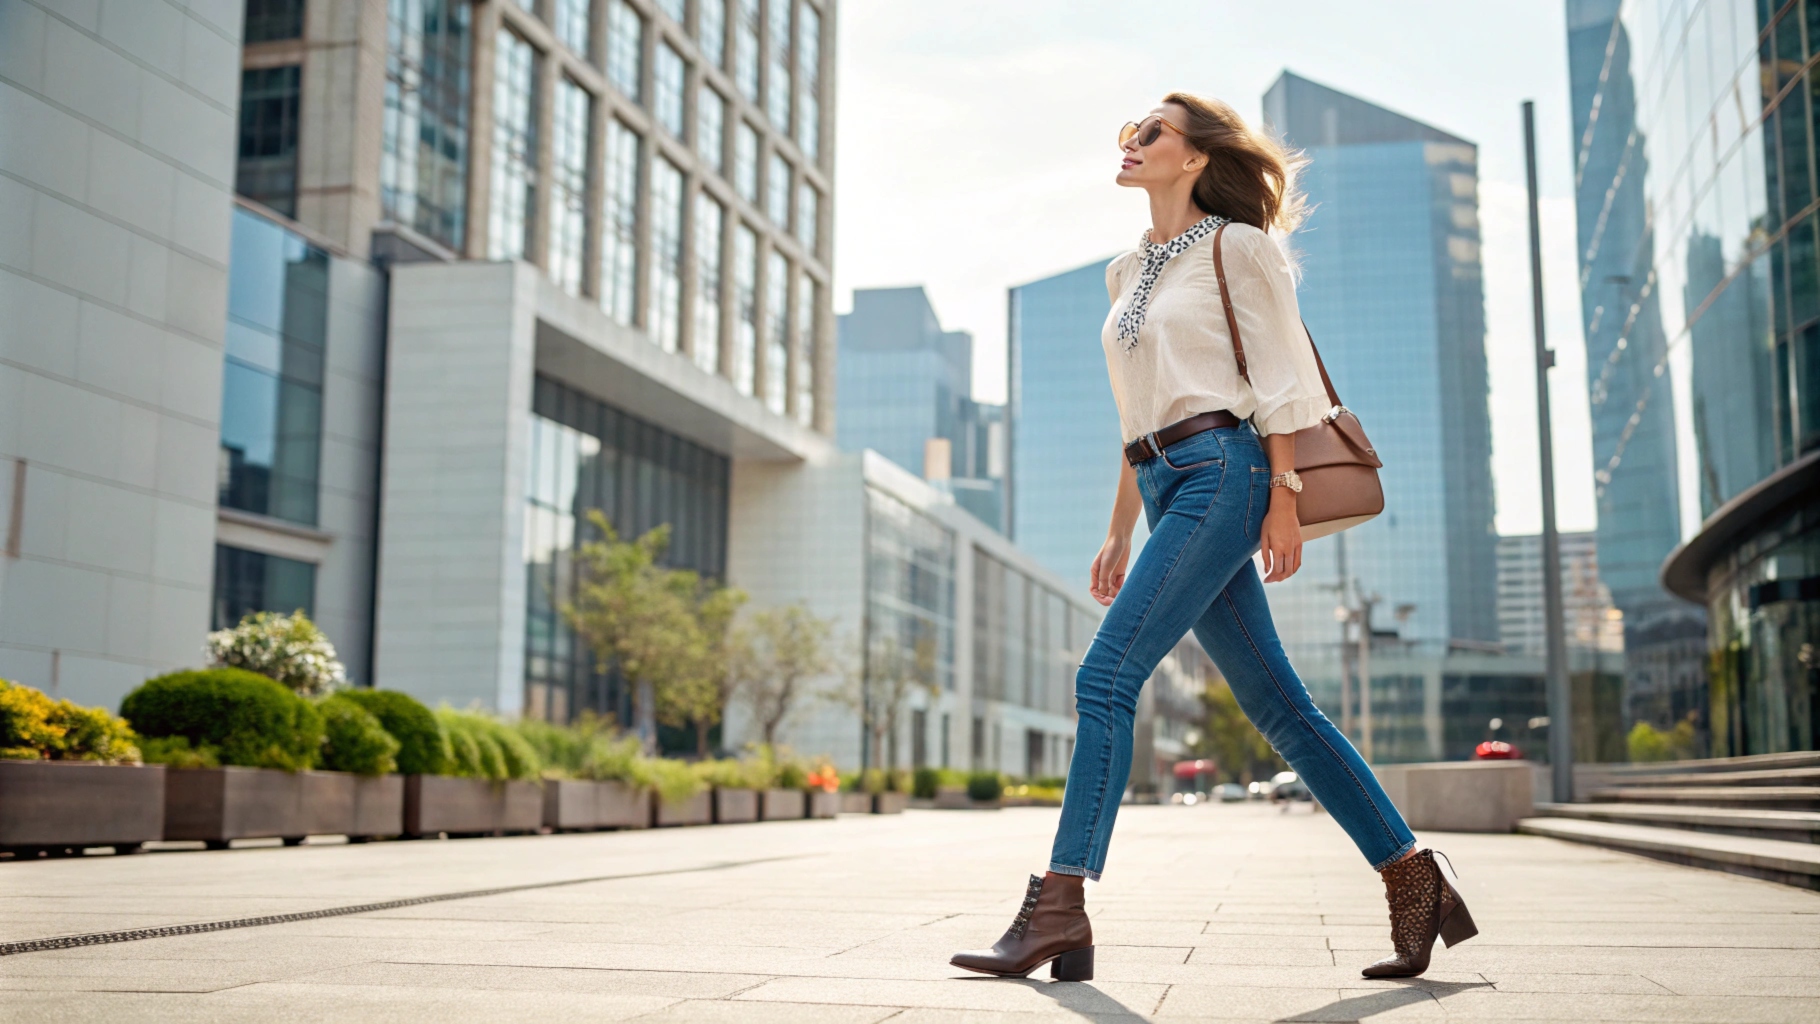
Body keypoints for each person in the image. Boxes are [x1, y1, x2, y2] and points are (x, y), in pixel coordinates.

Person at [949, 93, 1477, 983]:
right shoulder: (1127, 271)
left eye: (1151, 132)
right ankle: (1416, 877)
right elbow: (1136, 414)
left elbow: (1281, 380)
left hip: (1227, 474)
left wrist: (1282, 494)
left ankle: (1061, 906)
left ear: (1194, 157)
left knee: (1105, 677)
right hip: (1163, 483)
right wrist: (1120, 529)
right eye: (1128, 130)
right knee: (1281, 710)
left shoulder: (1240, 247)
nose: (1132, 141)